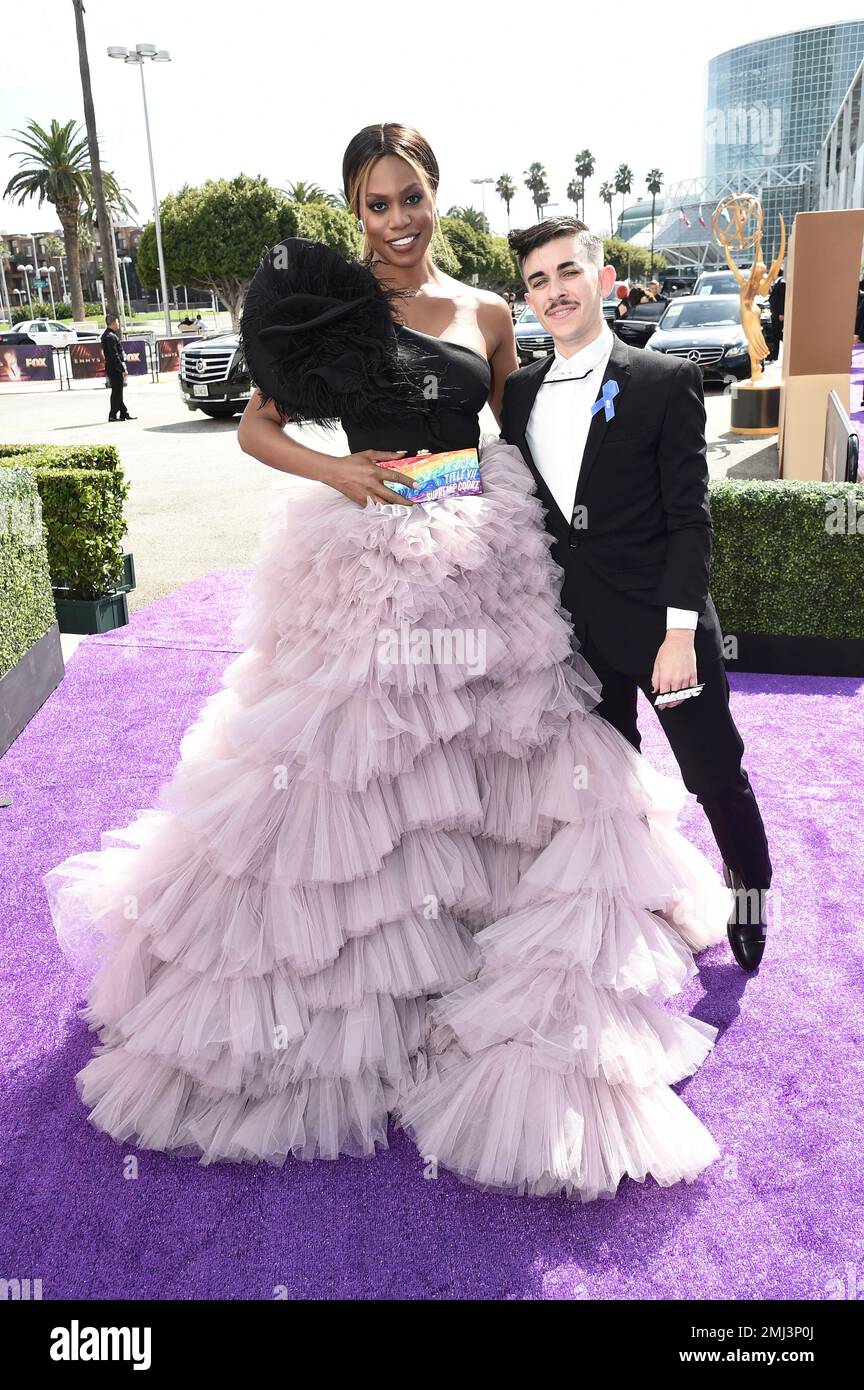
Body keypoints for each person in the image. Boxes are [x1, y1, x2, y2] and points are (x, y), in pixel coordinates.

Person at [44, 125, 732, 1202]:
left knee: (504, 756)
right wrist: (342, 470)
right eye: (375, 203)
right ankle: (352, 1000)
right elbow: (256, 428)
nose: (398, 220)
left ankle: (479, 971)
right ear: (354, 213)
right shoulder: (331, 306)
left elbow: (522, 430)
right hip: (366, 552)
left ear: (433, 195)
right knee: (354, 776)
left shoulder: (489, 312)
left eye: (410, 196)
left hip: (483, 546)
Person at [496, 215, 772, 976]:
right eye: (537, 281)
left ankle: (749, 890)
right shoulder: (517, 395)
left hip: (663, 627)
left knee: (713, 771)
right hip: (577, 635)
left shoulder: (664, 381)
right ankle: (629, 911)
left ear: (603, 281)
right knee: (607, 786)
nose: (553, 291)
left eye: (566, 273)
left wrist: (680, 632)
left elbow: (691, 519)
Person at [100, 314, 134, 422]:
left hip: (112, 367)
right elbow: (114, 355)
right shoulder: (110, 336)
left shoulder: (109, 335)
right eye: (118, 322)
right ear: (113, 323)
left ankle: (124, 413)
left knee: (118, 391)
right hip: (114, 368)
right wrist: (122, 369)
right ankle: (112, 415)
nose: (119, 324)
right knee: (116, 392)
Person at [768, 269, 786, 362]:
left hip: (779, 314)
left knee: (778, 334)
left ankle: (776, 354)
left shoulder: (782, 283)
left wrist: (782, 313)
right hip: (775, 313)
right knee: (777, 334)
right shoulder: (777, 283)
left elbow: (783, 299)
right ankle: (774, 355)